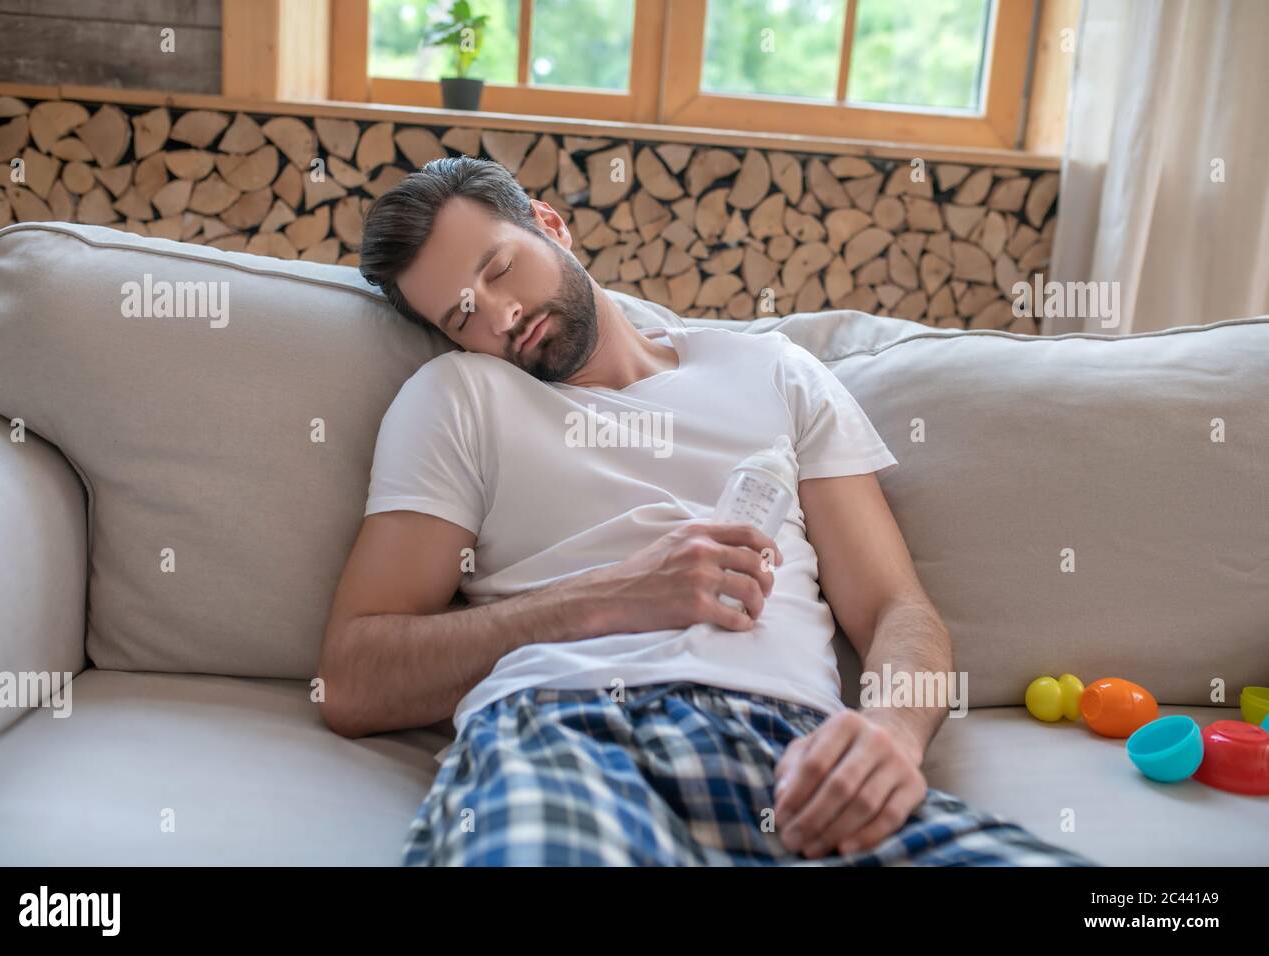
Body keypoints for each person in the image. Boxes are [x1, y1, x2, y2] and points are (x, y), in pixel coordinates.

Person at [320, 155, 1093, 866]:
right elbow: (352, 680)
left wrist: (891, 733)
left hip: (794, 748)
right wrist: (608, 598)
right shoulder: (458, 398)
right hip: (563, 732)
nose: (499, 317)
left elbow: (899, 609)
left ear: (549, 225)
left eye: (500, 269)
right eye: (462, 317)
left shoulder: (774, 373)